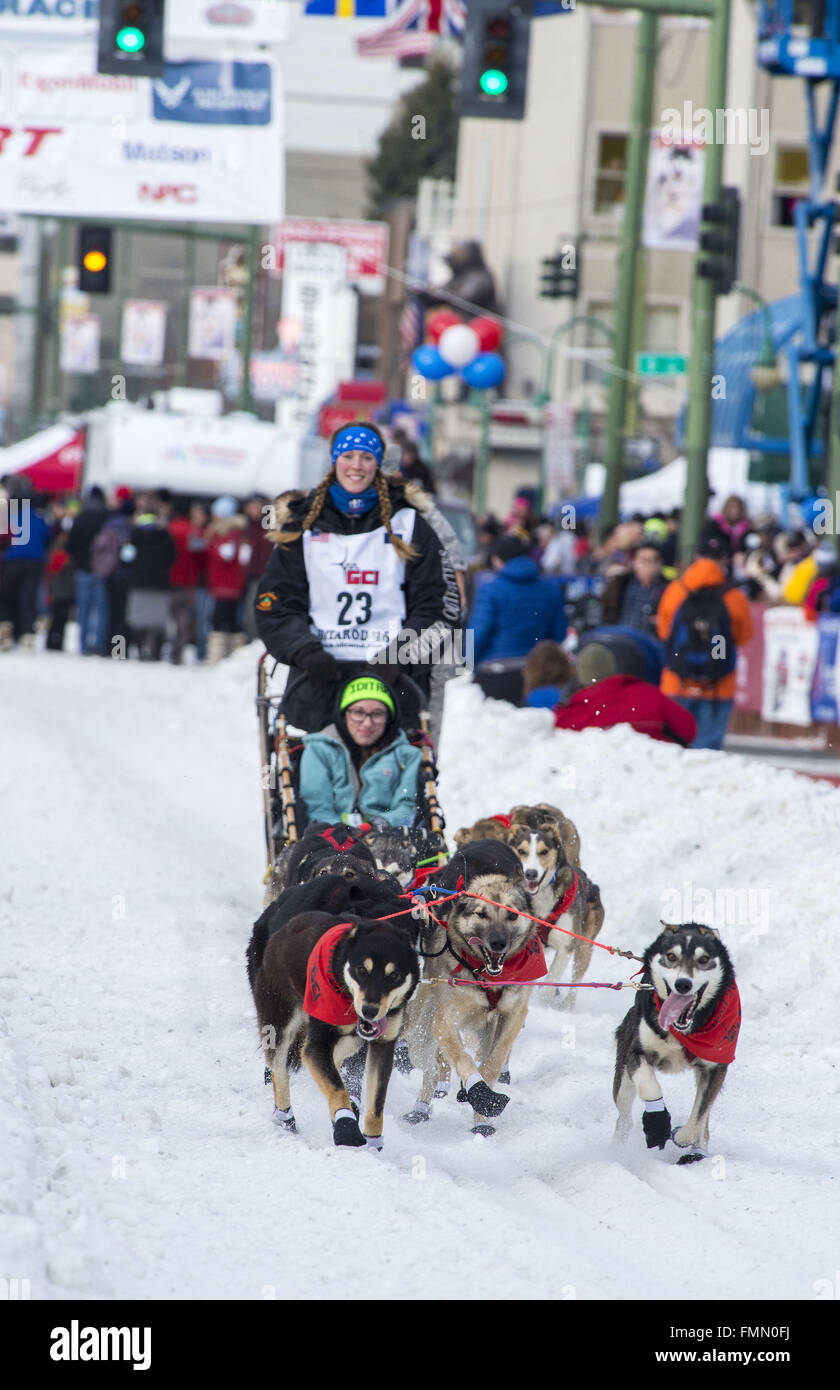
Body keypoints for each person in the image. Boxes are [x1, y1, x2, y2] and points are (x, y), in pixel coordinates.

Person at [255, 422, 458, 732]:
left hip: (392, 680)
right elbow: (275, 604)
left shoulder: (410, 523)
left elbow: (439, 607)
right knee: (319, 770)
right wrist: (304, 651)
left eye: (366, 457)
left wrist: (400, 654)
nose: (357, 466)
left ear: (378, 464)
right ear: (334, 460)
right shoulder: (302, 525)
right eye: (348, 456)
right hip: (318, 680)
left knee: (391, 772)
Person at [656, 538, 753, 750]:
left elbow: (664, 632)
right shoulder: (734, 596)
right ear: (724, 559)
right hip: (718, 685)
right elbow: (745, 636)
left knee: (671, 750)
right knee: (708, 755)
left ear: (696, 557)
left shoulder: (676, 590)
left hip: (676, 682)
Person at [298, 675, 423, 828]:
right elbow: (317, 807)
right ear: (344, 715)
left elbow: (407, 807)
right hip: (330, 838)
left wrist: (381, 825)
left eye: (377, 714)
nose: (367, 723)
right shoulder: (319, 750)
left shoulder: (407, 756)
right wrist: (343, 833)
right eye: (358, 712)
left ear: (389, 718)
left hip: (388, 835)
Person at [468, 534, 568, 704]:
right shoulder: (551, 590)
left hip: (495, 673)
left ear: (497, 560)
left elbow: (478, 633)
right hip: (537, 675)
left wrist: (467, 664)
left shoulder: (490, 589)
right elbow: (559, 634)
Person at [0, 478, 51, 649]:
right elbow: (47, 537)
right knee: (27, 597)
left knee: (6, 596)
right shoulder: (38, 514)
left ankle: (5, 626)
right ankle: (27, 634)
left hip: (11, 558)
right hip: (34, 560)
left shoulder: (10, 513)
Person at [122, 502, 176, 661]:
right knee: (157, 621)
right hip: (159, 583)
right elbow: (171, 558)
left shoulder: (135, 534)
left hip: (138, 581)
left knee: (137, 620)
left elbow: (127, 558)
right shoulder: (165, 535)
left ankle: (139, 649)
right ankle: (155, 653)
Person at [205, 496, 250, 663]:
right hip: (226, 585)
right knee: (228, 622)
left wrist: (213, 543)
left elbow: (227, 556)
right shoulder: (237, 535)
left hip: (226, 586)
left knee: (221, 622)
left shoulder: (229, 535)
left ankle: (218, 658)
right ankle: (233, 658)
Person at [66, 484, 109, 654]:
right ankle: (97, 643)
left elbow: (70, 545)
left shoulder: (81, 517)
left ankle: (83, 645)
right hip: (101, 569)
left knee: (83, 609)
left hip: (82, 568)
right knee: (99, 609)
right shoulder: (106, 517)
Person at [600, 539, 668, 635]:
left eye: (654, 560)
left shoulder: (668, 590)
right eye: (644, 560)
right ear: (635, 562)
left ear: (661, 563)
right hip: (618, 639)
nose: (649, 565)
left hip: (650, 643)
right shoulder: (621, 583)